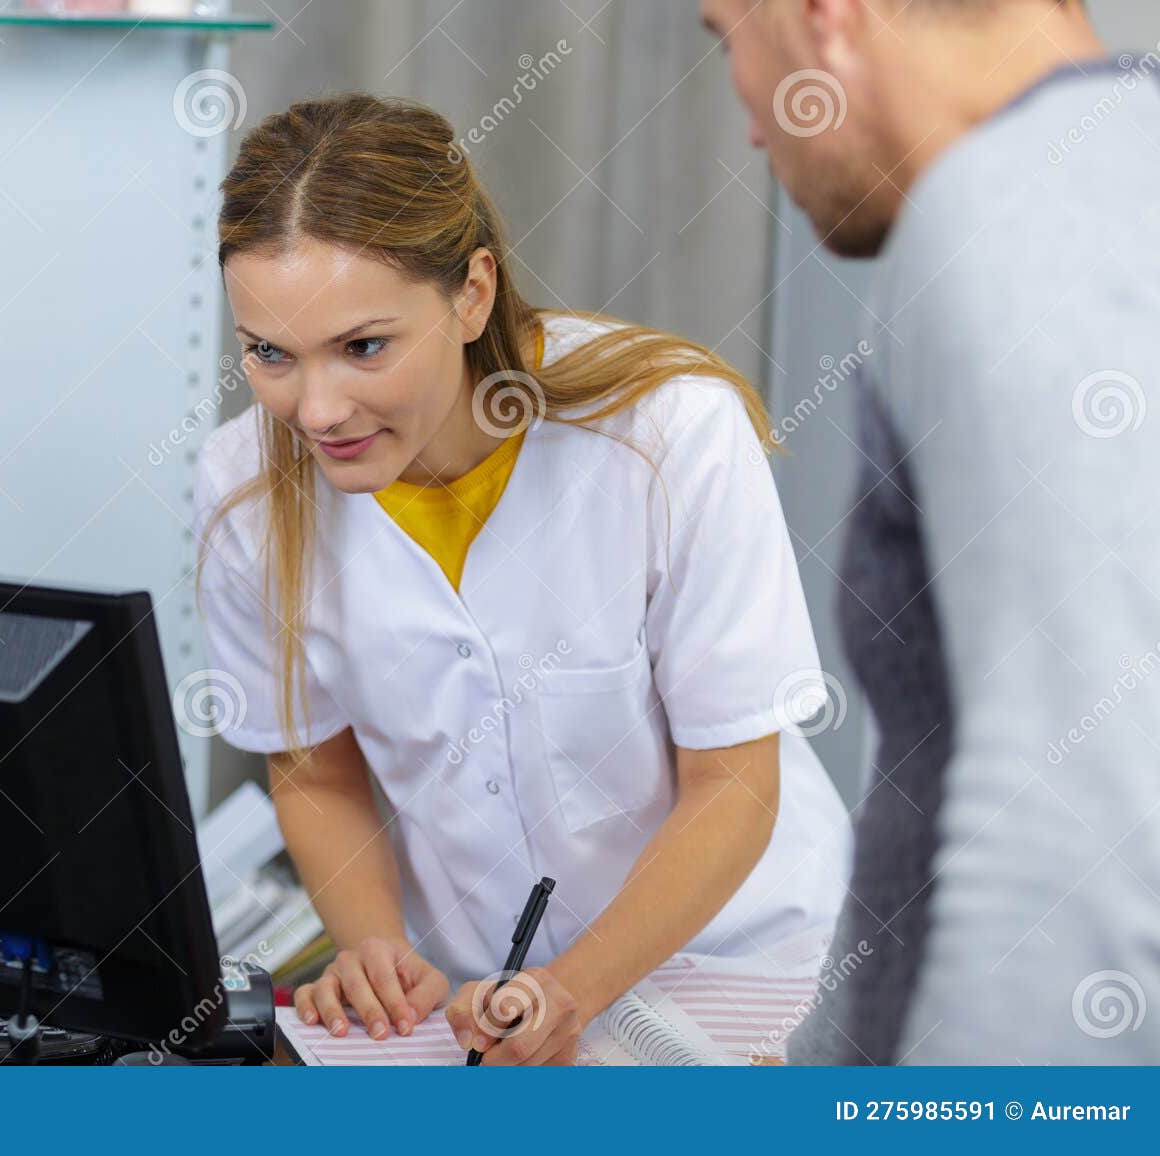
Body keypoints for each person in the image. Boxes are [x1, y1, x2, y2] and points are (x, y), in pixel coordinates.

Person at [191, 93, 851, 1066]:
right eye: (269, 355)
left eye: (363, 346)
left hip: (743, 966)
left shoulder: (669, 433)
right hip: (482, 999)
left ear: (471, 292)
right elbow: (312, 767)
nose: (317, 408)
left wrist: (573, 990)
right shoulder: (243, 488)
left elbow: (734, 783)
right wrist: (374, 947)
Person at [701, 0, 1160, 1063]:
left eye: (728, 39)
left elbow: (1073, 836)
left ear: (824, 19)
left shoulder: (1009, 216)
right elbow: (931, 780)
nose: (751, 124)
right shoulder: (1113, 172)